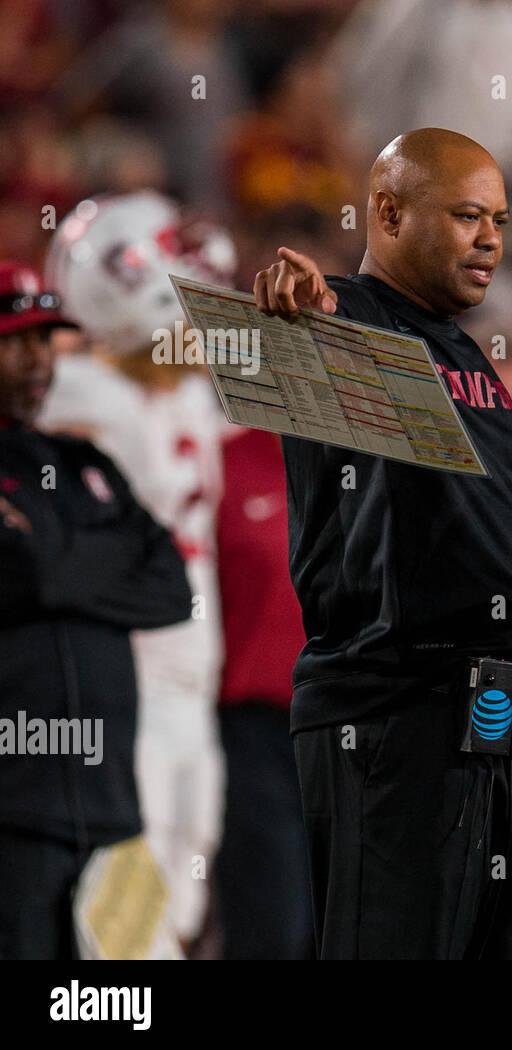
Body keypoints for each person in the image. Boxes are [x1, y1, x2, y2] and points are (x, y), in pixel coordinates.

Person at [252, 128, 512, 959]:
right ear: (386, 210)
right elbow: (293, 317)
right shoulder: (342, 320)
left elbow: (502, 561)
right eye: (465, 215)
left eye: (500, 218)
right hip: (393, 718)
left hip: (494, 725)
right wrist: (299, 316)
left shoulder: (471, 359)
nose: (490, 237)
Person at [41, 190, 232, 951]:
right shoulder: (74, 401)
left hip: (193, 684)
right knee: (122, 929)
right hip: (122, 692)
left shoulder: (192, 393)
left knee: (182, 912)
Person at [0, 262, 191, 958]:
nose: (37, 362)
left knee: (113, 1010)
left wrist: (55, 561)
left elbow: (172, 585)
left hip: (113, 819)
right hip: (15, 815)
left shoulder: (83, 460)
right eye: (16, 341)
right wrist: (98, 558)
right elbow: (33, 574)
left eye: (46, 341)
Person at [214, 427, 313, 959]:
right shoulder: (223, 460)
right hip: (252, 727)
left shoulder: (369, 469)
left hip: (349, 732)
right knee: (271, 919)